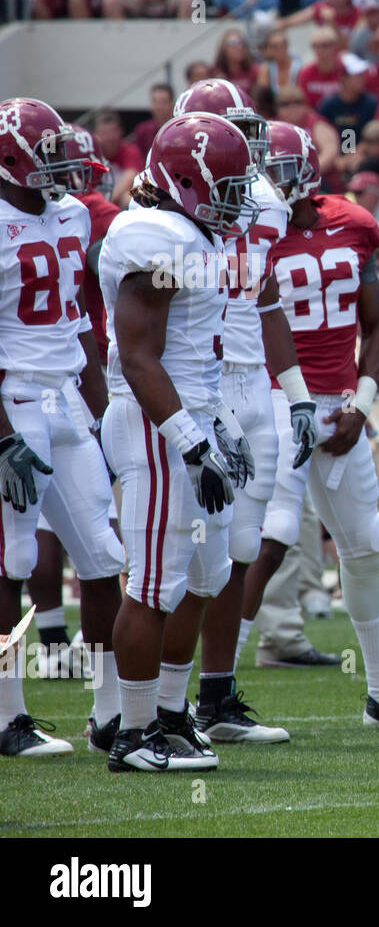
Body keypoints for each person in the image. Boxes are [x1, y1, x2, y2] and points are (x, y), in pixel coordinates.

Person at [232, 123, 379, 729]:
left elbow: (378, 319)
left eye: (273, 169)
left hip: (338, 403)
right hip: (272, 397)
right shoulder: (246, 229)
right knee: (268, 536)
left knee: (365, 544)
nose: (261, 182)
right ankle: (212, 696)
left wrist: (360, 403)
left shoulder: (354, 223)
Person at [97, 113, 255, 771]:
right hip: (155, 423)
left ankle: (168, 712)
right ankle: (130, 733)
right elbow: (139, 357)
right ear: (183, 181)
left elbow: (195, 352)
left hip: (192, 418)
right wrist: (191, 443)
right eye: (223, 187)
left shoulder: (188, 233)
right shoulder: (154, 236)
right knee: (154, 585)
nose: (234, 201)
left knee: (204, 576)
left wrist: (224, 426)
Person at [169, 88, 313, 744]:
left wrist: (297, 391)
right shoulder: (170, 210)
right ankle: (139, 706)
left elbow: (266, 298)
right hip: (200, 383)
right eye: (235, 129)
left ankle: (216, 700)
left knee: (239, 550)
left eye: (251, 129)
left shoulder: (266, 202)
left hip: (254, 380)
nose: (252, 144)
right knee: (178, 555)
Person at [0, 100, 122, 759]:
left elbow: (79, 322)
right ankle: (6, 716)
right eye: (47, 155)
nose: (63, 170)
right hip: (12, 399)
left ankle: (107, 713)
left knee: (104, 558)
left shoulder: (74, 215)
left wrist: (103, 415)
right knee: (12, 559)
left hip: (67, 398)